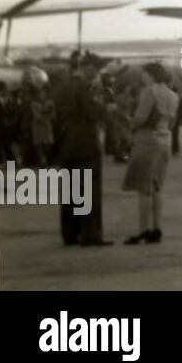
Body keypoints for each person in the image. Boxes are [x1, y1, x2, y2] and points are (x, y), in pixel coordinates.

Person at [53, 52, 110, 246]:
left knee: (70, 190)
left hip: (65, 143)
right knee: (88, 190)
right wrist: (105, 107)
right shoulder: (86, 87)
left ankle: (69, 234)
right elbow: (93, 112)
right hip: (85, 143)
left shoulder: (60, 88)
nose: (97, 73)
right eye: (96, 68)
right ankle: (90, 235)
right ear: (87, 67)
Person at [123, 62, 177, 244]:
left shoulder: (150, 91)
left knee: (144, 188)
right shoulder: (173, 95)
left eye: (144, 74)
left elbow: (141, 118)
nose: (142, 77)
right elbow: (171, 123)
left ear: (151, 75)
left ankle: (143, 230)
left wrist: (127, 122)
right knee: (157, 187)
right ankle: (157, 228)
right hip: (164, 141)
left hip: (147, 141)